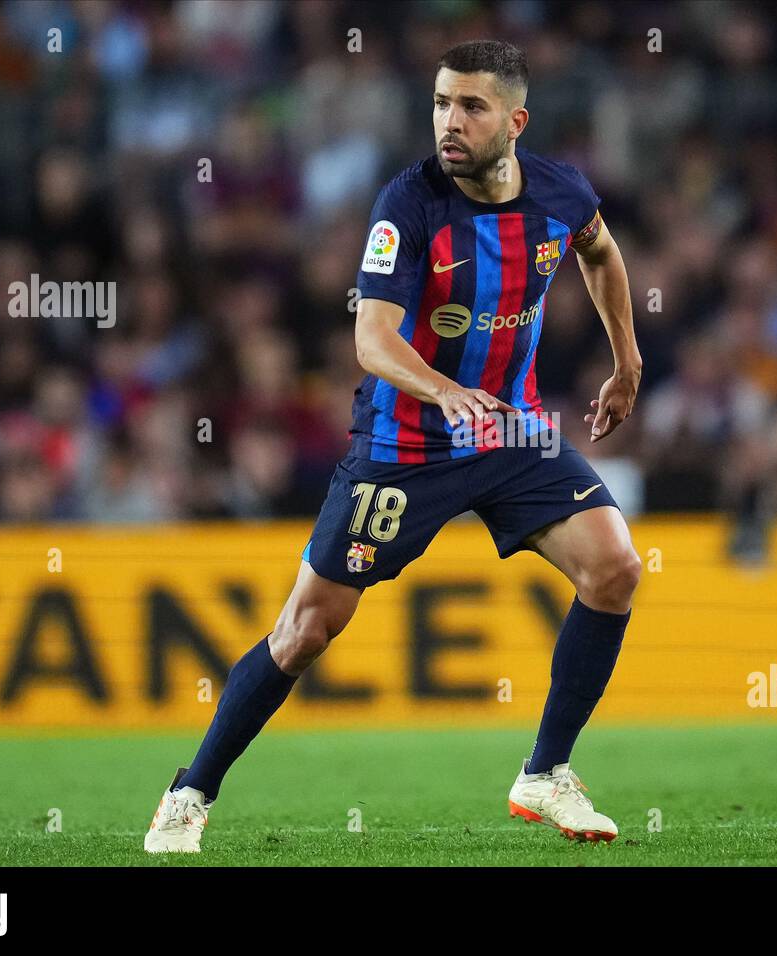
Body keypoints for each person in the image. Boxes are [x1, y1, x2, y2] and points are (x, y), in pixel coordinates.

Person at [146, 39, 643, 851]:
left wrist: (627, 360)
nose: (451, 121)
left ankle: (544, 773)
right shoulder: (407, 206)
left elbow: (601, 251)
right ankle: (190, 793)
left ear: (516, 121)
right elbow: (372, 341)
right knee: (306, 631)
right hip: (405, 445)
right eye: (443, 102)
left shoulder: (560, 192)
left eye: (472, 106)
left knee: (616, 567)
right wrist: (447, 392)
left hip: (509, 430)